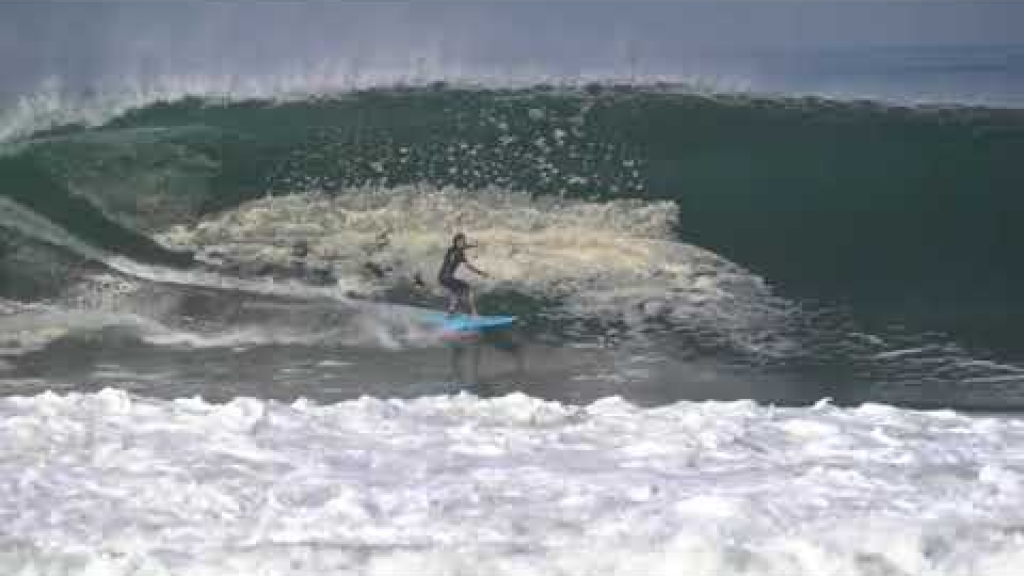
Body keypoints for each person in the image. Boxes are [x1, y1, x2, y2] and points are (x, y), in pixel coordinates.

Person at [438, 233, 488, 315]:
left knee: (456, 291)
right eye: (461, 241)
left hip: (441, 277)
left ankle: (451, 310)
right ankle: (474, 313)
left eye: (464, 241)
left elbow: (463, 247)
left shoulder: (450, 249)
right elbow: (468, 266)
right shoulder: (459, 254)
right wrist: (481, 273)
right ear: (456, 242)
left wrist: (474, 245)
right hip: (447, 277)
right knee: (468, 289)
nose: (463, 243)